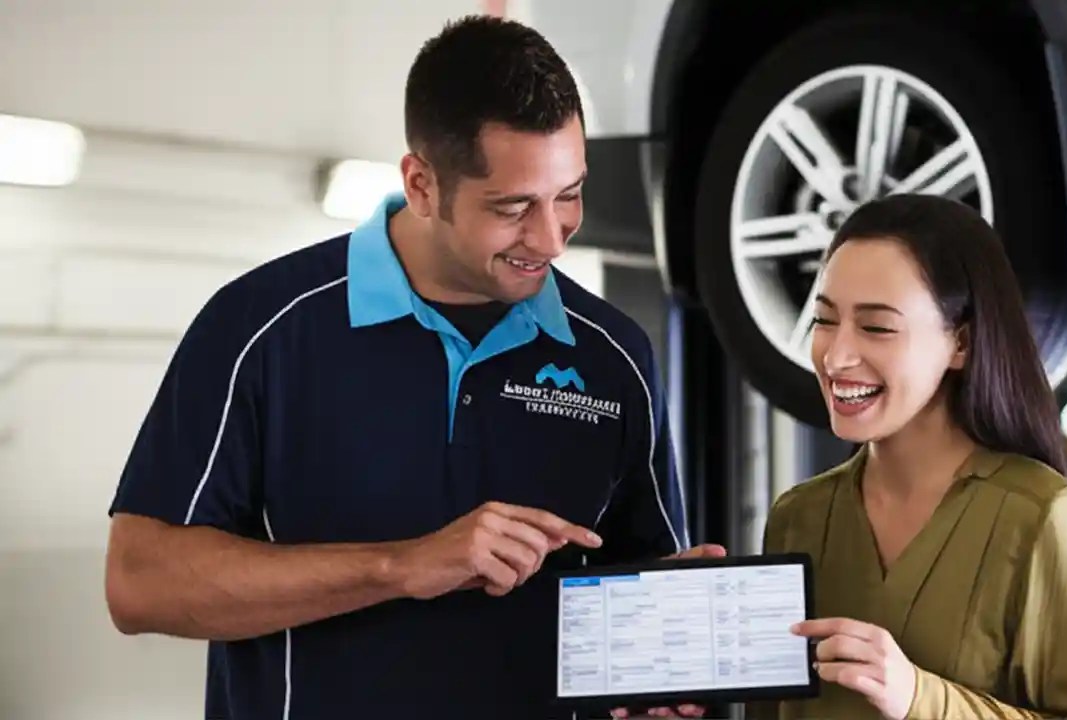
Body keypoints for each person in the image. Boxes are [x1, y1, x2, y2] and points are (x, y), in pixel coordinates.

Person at [104, 15, 722, 720]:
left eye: (570, 194)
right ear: (423, 184)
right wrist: (402, 566)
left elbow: (638, 613)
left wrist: (662, 672)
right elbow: (138, 583)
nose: (550, 238)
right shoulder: (262, 327)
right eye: (513, 207)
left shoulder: (615, 356)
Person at [751, 194, 1067, 719]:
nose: (836, 356)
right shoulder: (798, 517)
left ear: (962, 342)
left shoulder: (1044, 517)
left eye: (877, 327)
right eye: (824, 319)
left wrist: (920, 699)